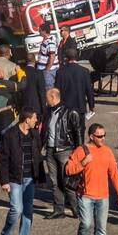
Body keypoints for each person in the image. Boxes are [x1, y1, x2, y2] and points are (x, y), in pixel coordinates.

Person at [65, 121, 118, 235]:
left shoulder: (107, 151)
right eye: (99, 136)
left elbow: (114, 174)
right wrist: (83, 163)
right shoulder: (81, 150)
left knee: (101, 228)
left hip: (103, 196)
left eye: (104, 135)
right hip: (85, 195)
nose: (103, 138)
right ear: (91, 136)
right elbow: (68, 170)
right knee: (86, 224)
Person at [0, 109, 45, 235]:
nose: (36, 121)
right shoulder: (10, 135)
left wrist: (41, 177)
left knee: (28, 212)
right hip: (14, 179)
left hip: (30, 178)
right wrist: (4, 181)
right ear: (27, 120)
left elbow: (38, 156)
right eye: (35, 118)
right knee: (16, 209)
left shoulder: (34, 134)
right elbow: (3, 159)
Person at [42, 87, 84, 218]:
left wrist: (79, 152)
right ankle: (59, 210)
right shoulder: (48, 111)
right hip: (50, 150)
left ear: (53, 97)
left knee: (67, 182)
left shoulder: (71, 112)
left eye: (47, 98)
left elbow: (78, 133)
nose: (46, 101)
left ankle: (77, 210)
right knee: (54, 182)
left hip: (65, 150)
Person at [55, 44, 95, 120]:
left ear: (66, 58)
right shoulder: (84, 71)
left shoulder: (60, 72)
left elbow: (57, 90)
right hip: (80, 107)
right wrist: (91, 106)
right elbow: (89, 90)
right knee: (79, 130)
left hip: (65, 108)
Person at [17, 53, 46, 118]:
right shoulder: (38, 73)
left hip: (24, 107)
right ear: (35, 61)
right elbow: (42, 92)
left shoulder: (20, 72)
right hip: (37, 108)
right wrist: (44, 109)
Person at [35, 21, 59, 89]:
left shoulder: (50, 42)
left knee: (49, 89)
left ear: (44, 31)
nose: (39, 32)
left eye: (40, 31)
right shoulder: (46, 41)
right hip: (46, 70)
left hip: (49, 70)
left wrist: (47, 70)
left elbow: (52, 56)